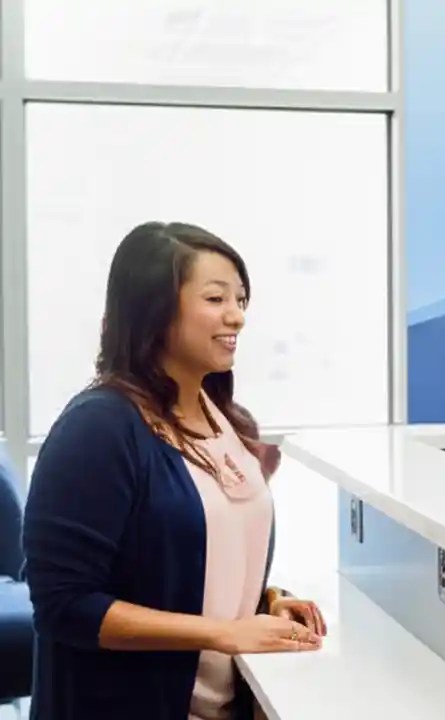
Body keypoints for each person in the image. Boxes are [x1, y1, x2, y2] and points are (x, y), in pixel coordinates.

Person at [23, 222, 327, 719]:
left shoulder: (224, 417)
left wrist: (263, 604)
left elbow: (200, 562)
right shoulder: (98, 427)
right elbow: (64, 606)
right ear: (154, 310)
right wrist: (225, 633)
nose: (237, 317)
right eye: (215, 299)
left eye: (241, 299)